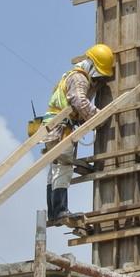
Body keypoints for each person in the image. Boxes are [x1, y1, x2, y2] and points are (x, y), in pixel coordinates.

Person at [42, 43, 115, 222]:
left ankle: (54, 212)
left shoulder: (72, 76)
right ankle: (60, 210)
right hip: (60, 129)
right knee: (64, 167)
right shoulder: (79, 78)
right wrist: (98, 116)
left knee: (56, 168)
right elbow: (79, 101)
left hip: (54, 127)